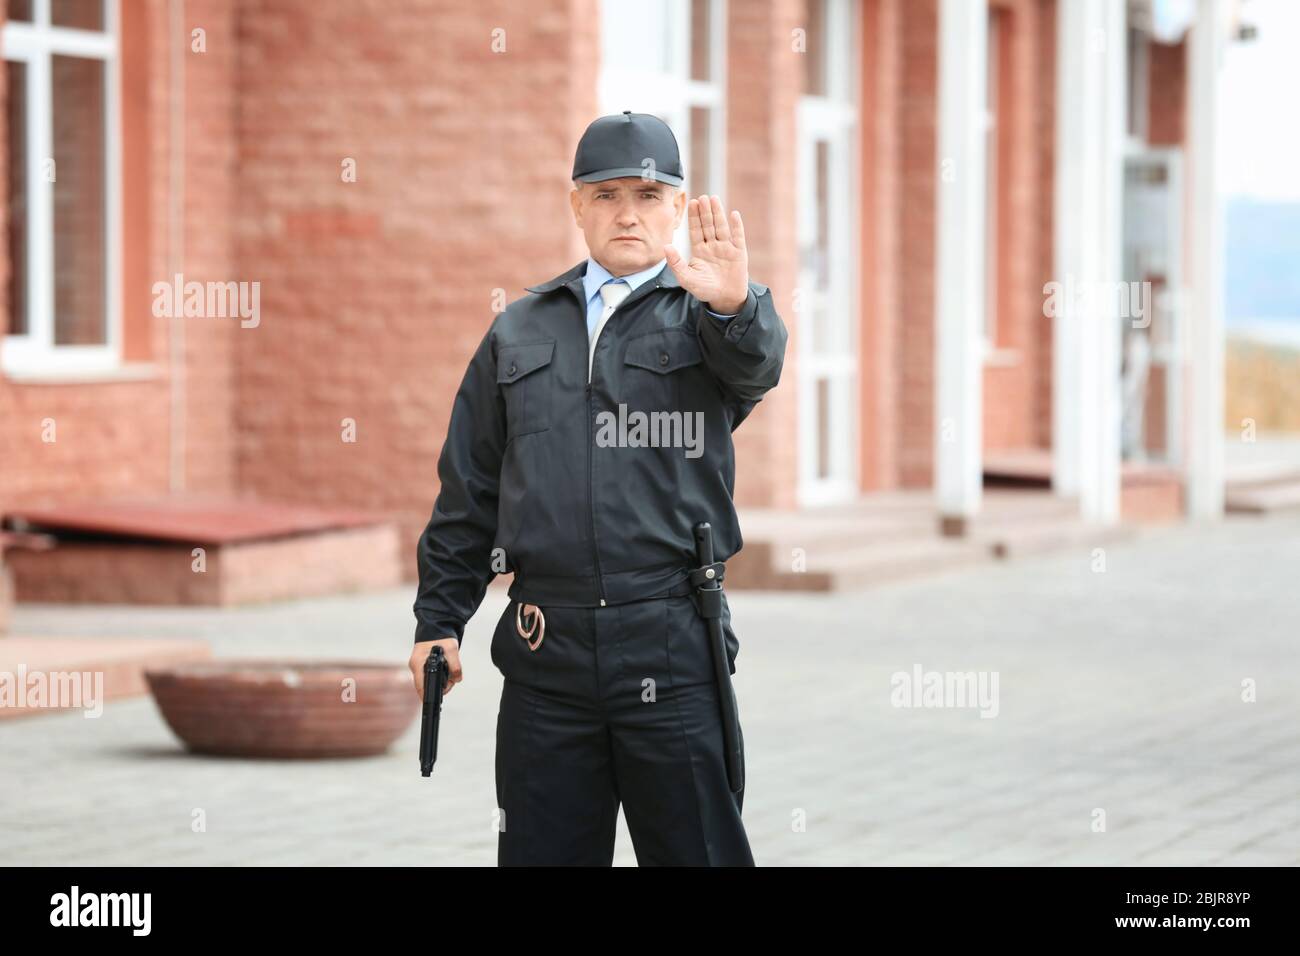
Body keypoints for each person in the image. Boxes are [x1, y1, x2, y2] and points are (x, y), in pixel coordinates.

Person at [409, 110, 788, 866]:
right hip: (545, 649)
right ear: (576, 206)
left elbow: (756, 366)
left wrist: (732, 306)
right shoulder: (519, 328)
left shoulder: (706, 317)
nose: (627, 213)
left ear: (679, 209)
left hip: (670, 641)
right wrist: (439, 619)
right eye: (607, 194)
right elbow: (469, 490)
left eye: (649, 196)